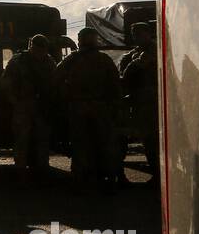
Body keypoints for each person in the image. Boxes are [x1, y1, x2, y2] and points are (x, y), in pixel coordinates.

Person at [56, 26, 122, 190]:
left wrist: (67, 98)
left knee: (81, 144)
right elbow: (115, 84)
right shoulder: (103, 59)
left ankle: (81, 179)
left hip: (79, 106)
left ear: (80, 40)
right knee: (103, 142)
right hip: (99, 106)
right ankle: (107, 177)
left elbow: (56, 78)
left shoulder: (72, 60)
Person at [3, 33, 58, 185]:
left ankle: (41, 170)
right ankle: (21, 172)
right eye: (37, 48)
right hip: (24, 105)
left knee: (42, 139)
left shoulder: (49, 62)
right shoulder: (19, 61)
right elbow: (7, 83)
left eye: (42, 49)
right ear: (31, 47)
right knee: (22, 140)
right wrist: (14, 101)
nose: (40, 52)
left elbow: (55, 82)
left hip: (41, 107)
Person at [121, 22, 160, 182]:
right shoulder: (131, 56)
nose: (137, 37)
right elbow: (124, 78)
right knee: (150, 141)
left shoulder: (161, 51)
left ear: (148, 33)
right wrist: (135, 64)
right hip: (143, 105)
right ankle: (157, 175)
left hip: (159, 102)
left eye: (140, 33)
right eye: (135, 34)